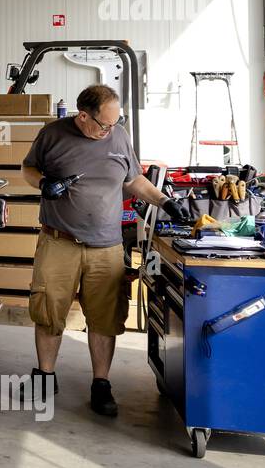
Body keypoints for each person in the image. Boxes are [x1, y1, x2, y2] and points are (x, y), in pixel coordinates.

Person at [20, 84, 192, 415]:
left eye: (115, 123)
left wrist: (165, 202)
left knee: (105, 318)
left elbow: (134, 179)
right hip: (58, 242)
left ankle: (101, 384)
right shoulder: (52, 134)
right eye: (105, 124)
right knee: (48, 311)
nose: (110, 130)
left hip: (107, 245)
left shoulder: (118, 136)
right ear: (83, 116)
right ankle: (44, 376)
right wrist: (42, 183)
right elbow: (28, 168)